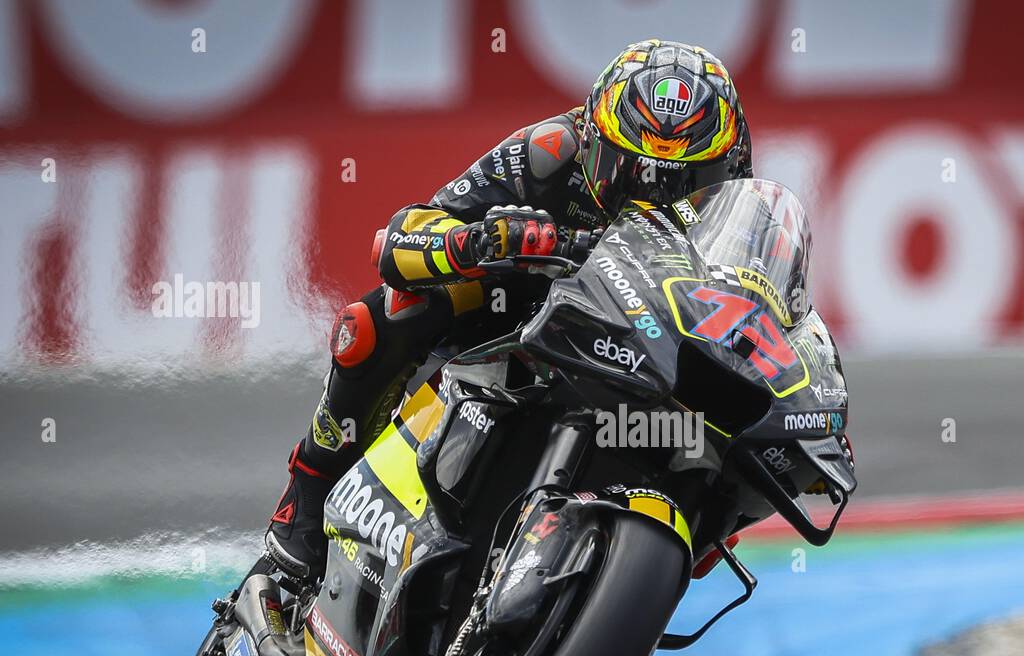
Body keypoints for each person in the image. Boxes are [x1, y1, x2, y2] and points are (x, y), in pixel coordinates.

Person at [266, 38, 753, 579]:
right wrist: (485, 243)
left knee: (749, 428)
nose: (652, 198)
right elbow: (398, 241)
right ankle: (307, 493)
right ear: (593, 140)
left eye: (684, 184)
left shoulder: (741, 222)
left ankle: (650, 562)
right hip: (522, 318)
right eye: (632, 173)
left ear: (729, 171)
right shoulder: (550, 150)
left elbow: (774, 315)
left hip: (651, 365)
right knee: (383, 315)